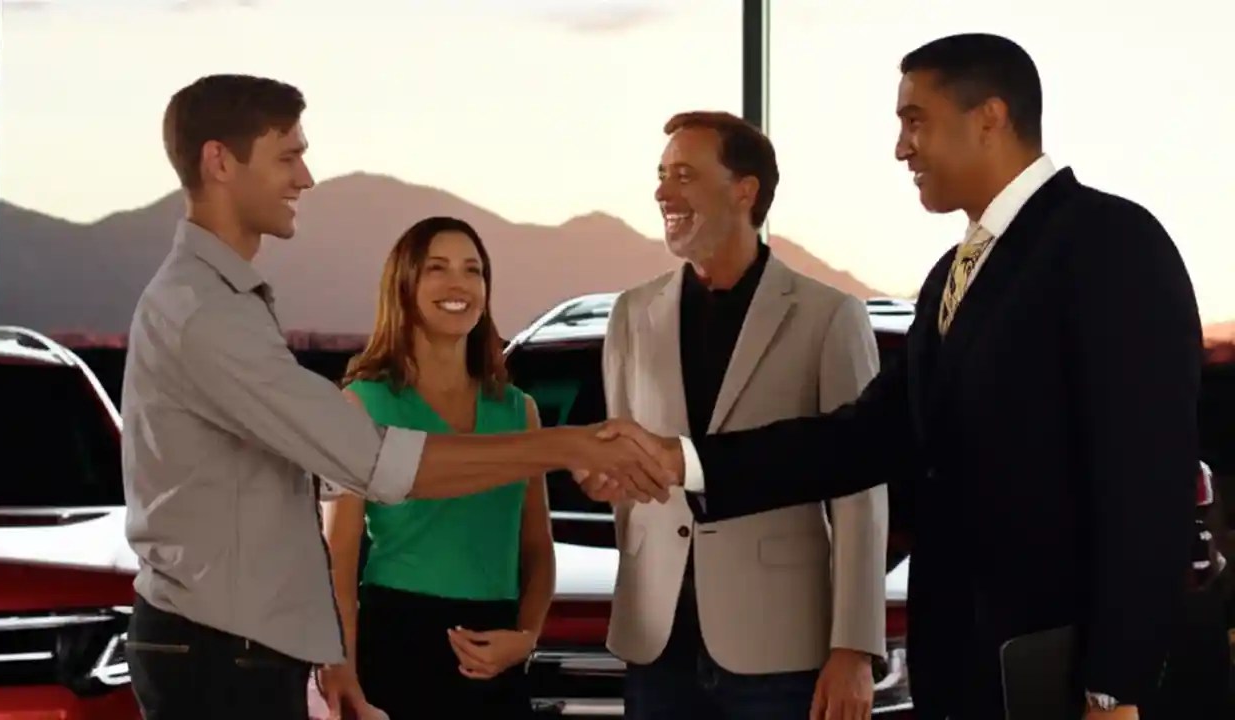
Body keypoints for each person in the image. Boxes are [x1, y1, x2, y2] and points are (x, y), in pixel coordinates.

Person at [592, 33, 1204, 720]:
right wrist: (683, 461)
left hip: (1061, 677)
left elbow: (1146, 482)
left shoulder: (1110, 243)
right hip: (966, 674)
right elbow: (864, 439)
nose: (901, 148)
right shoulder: (951, 276)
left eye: (915, 121)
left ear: (989, 118)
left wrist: (1114, 687)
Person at [120, 74, 673, 720]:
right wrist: (569, 445)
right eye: (287, 157)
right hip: (220, 652)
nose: (305, 178)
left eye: (472, 270)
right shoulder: (206, 314)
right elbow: (374, 463)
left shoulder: (221, 303)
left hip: (235, 648)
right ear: (220, 161)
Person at [601, 110, 887, 720]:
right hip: (656, 640)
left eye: (684, 175)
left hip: (781, 646)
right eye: (661, 175)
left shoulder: (830, 316)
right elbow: (622, 469)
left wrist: (854, 647)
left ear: (744, 190)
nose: (663, 193)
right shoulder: (630, 315)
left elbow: (861, 490)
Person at [316, 216, 554, 719]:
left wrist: (526, 637)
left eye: (473, 270)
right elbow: (338, 558)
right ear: (404, 284)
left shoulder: (520, 411)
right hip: (396, 646)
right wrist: (340, 666)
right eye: (437, 268)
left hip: (497, 657)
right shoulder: (360, 405)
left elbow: (536, 547)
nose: (458, 284)